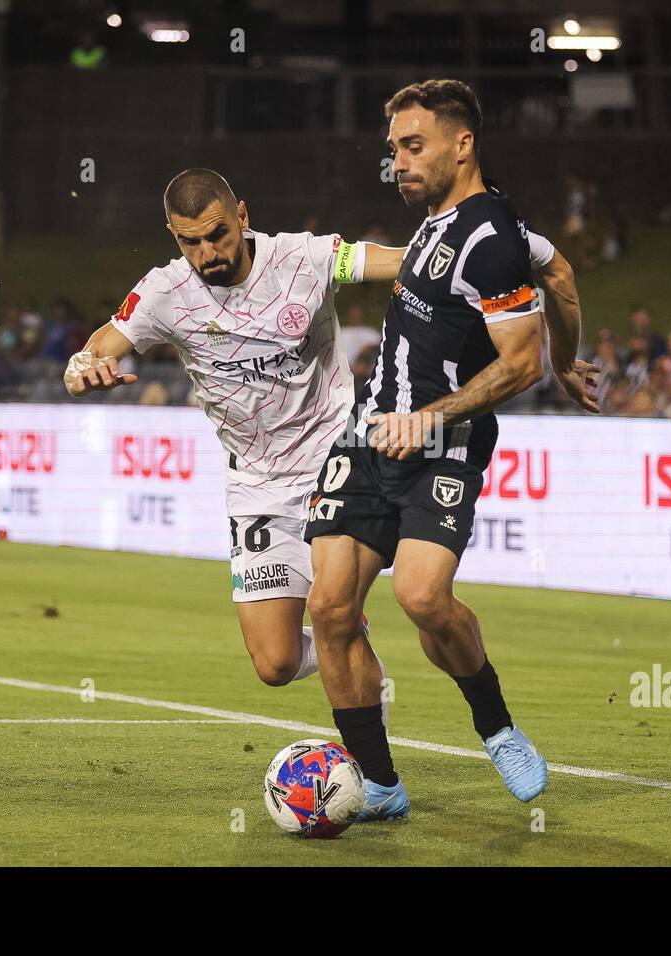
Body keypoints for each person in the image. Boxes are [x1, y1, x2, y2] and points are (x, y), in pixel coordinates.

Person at [62, 167, 577, 717]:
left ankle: (378, 749)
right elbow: (104, 342)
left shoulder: (304, 259)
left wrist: (514, 248)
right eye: (191, 242)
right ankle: (346, 640)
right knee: (275, 664)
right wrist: (85, 367)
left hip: (340, 462)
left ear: (242, 216)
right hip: (256, 485)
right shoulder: (165, 291)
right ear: (173, 235)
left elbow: (411, 260)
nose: (208, 251)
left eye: (218, 234)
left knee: (366, 608)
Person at [302, 79, 598, 820]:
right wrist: (571, 355)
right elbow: (559, 271)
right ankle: (380, 786)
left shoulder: (491, 241)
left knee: (422, 597)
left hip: (446, 442)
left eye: (413, 146)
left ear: (461, 144)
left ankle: (495, 725)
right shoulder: (444, 221)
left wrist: (439, 413)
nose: (398, 162)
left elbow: (517, 365)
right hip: (370, 434)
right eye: (394, 149)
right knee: (330, 611)